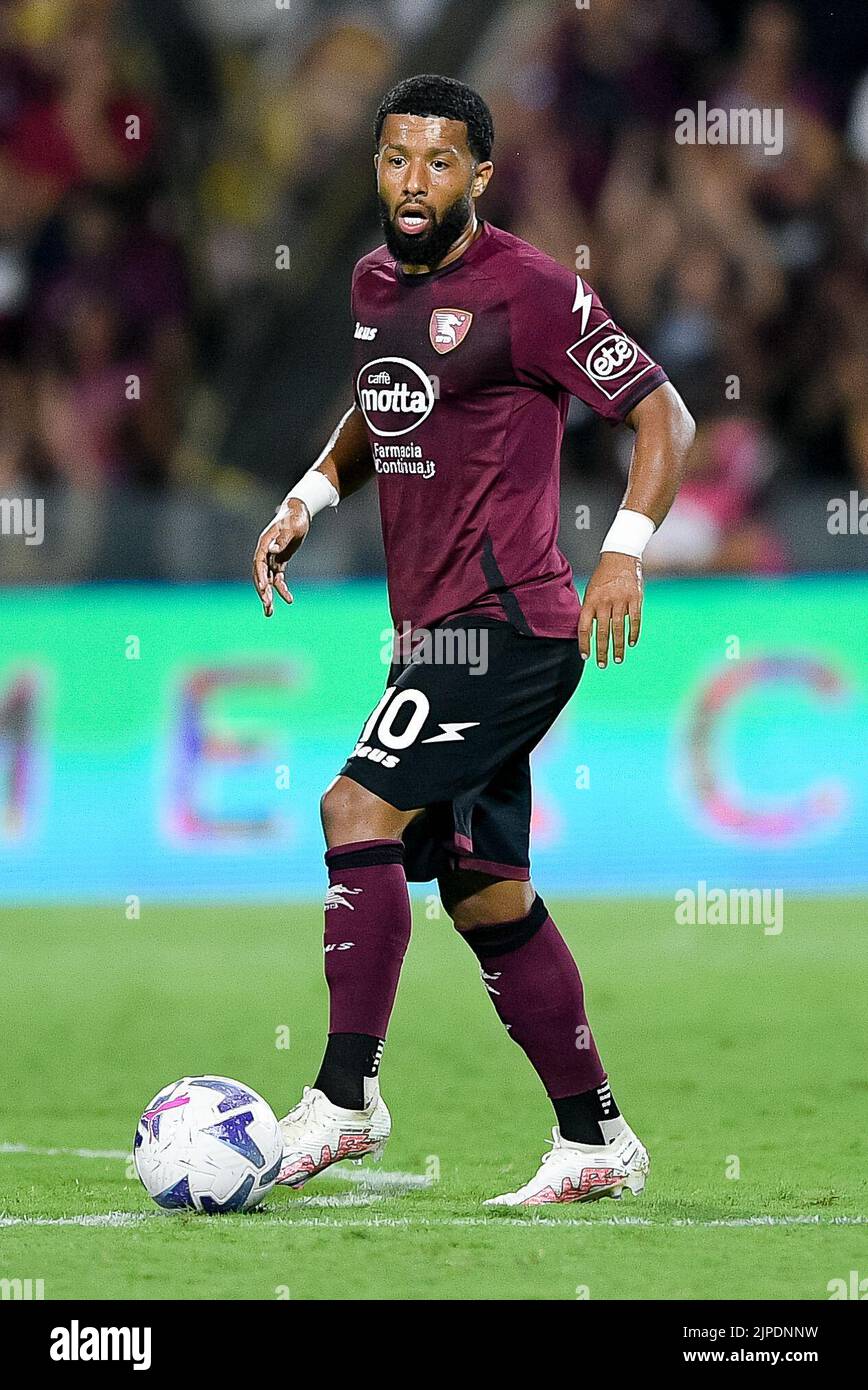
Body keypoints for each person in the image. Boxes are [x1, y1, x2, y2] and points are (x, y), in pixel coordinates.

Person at [252, 74, 694, 1205]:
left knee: (353, 809)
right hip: (430, 636)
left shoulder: (532, 291)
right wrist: (308, 496)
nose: (413, 183)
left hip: (507, 626)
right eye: (396, 159)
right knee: (485, 888)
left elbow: (663, 412)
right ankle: (594, 1137)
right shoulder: (368, 284)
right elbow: (383, 396)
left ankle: (345, 1100)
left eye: (438, 163)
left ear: (480, 176)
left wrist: (624, 549)